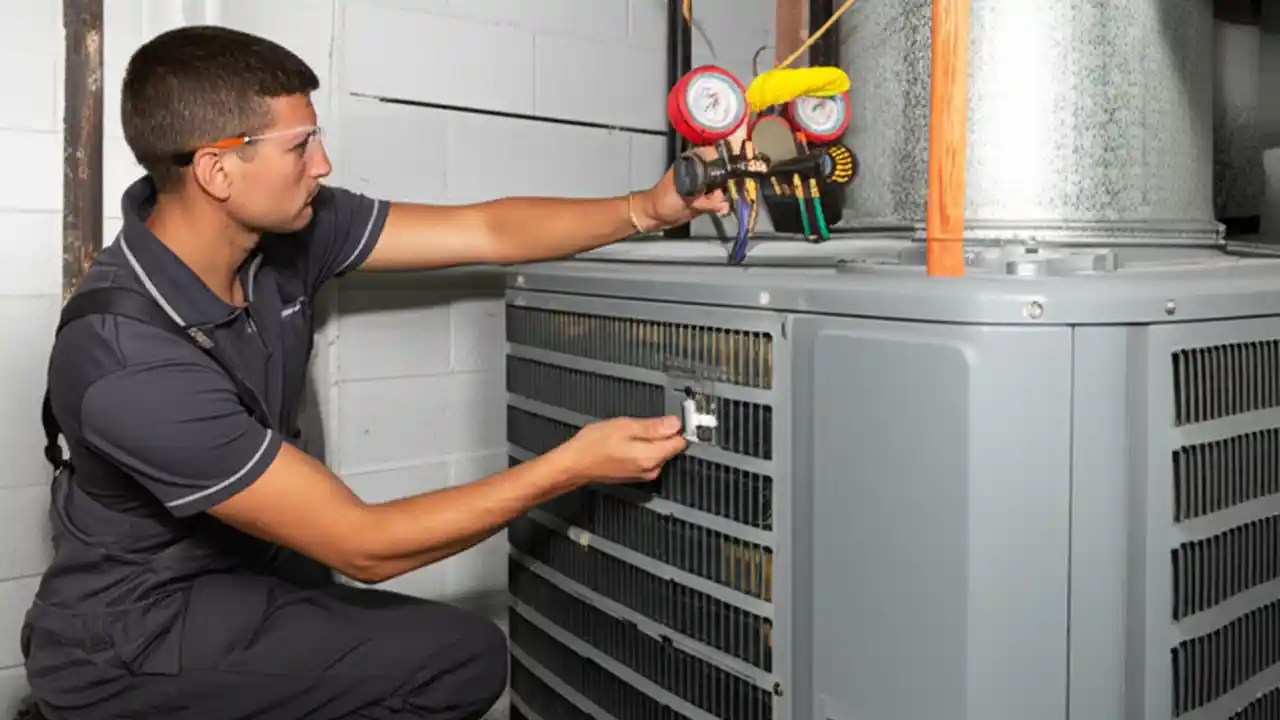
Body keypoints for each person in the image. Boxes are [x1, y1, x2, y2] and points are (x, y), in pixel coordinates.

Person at [20, 24, 727, 720]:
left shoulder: (283, 233)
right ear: (216, 170)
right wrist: (572, 466)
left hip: (245, 573)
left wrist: (650, 209)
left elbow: (483, 230)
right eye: (300, 145)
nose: (322, 165)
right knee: (461, 660)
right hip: (135, 637)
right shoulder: (127, 361)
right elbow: (365, 547)